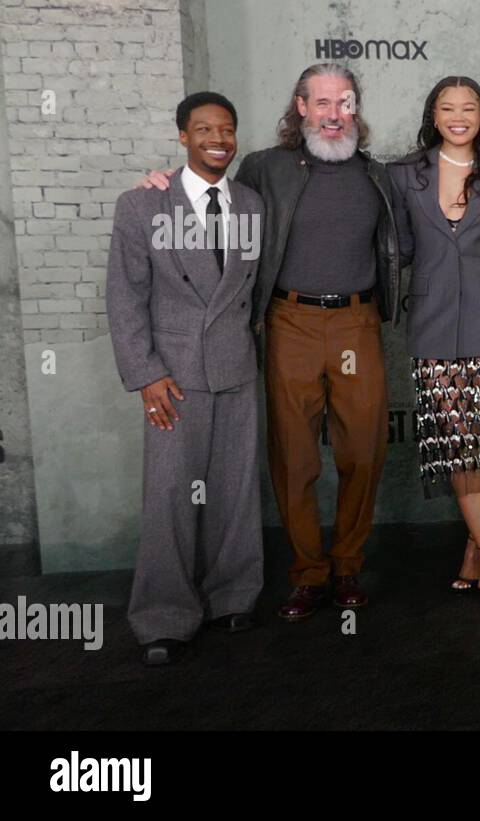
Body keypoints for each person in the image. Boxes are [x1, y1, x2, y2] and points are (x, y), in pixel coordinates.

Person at [137, 63, 402, 620]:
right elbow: (209, 196)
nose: (334, 114)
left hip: (358, 322)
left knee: (363, 451)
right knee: (293, 456)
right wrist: (160, 185)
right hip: (288, 321)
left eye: (345, 103)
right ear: (301, 107)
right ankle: (308, 573)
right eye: (322, 103)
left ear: (355, 109)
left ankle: (348, 564)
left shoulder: (379, 175)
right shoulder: (265, 168)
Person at [106, 92, 265, 665]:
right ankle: (163, 616)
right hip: (171, 376)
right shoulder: (142, 204)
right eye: (203, 129)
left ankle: (233, 596)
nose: (217, 139)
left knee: (237, 489)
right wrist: (145, 373)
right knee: (171, 495)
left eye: (226, 129)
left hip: (236, 367)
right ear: (182, 136)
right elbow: (125, 298)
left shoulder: (251, 202)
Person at [389, 77, 480, 605]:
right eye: (447, 107)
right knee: (458, 442)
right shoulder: (403, 176)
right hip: (432, 322)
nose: (458, 116)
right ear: (434, 114)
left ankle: (472, 545)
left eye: (469, 108)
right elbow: (392, 246)